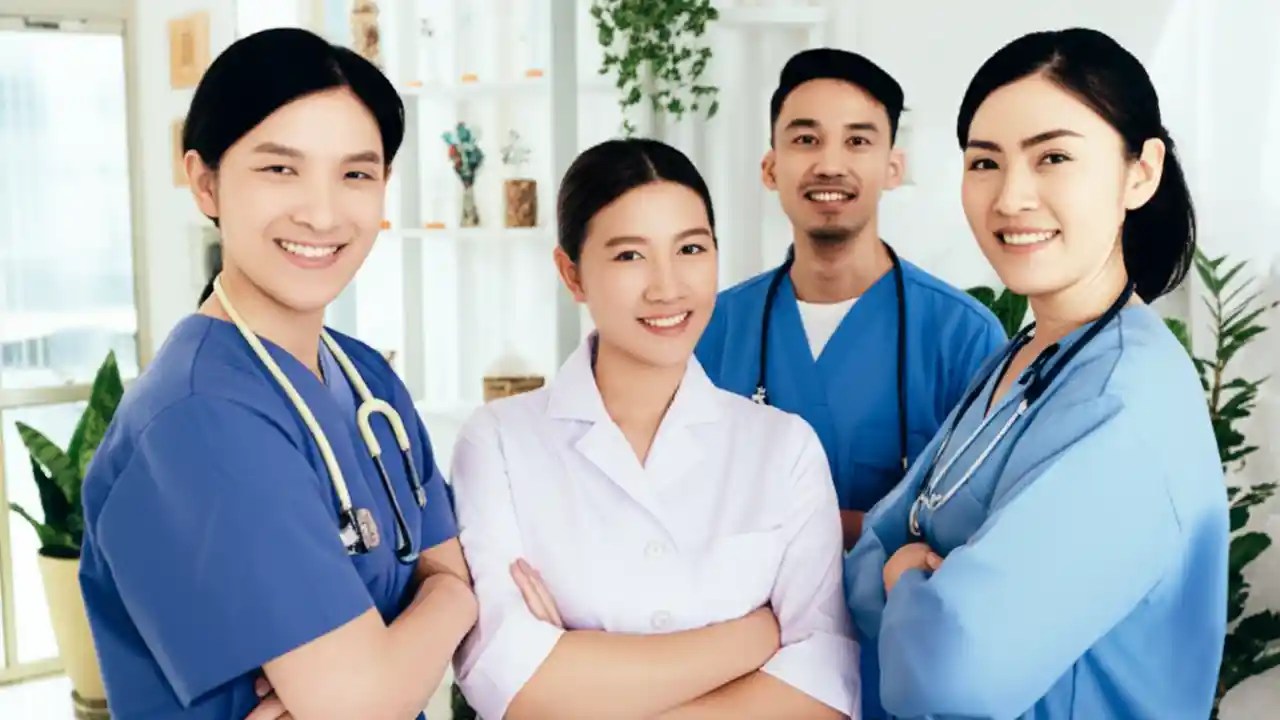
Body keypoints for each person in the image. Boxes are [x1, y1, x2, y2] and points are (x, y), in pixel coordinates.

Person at [78, 28, 476, 719]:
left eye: (356, 173)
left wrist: (448, 599)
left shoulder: (365, 380)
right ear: (205, 181)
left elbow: (454, 576)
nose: (322, 213)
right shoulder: (198, 419)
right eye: (280, 169)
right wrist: (429, 622)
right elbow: (362, 702)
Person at [844, 28, 1227, 719]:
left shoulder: (1126, 406)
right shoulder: (1030, 353)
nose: (1011, 198)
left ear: (1140, 172)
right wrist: (907, 580)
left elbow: (950, 671)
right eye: (984, 162)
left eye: (1052, 157)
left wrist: (903, 573)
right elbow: (874, 544)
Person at [447, 138, 859, 720]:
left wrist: (582, 672)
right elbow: (510, 682)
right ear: (573, 273)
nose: (667, 287)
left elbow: (825, 684)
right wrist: (749, 640)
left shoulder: (782, 447)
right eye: (629, 256)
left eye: (690, 248)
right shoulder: (499, 442)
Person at [693, 47, 1006, 719]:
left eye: (858, 141)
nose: (829, 163)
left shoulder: (964, 339)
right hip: (746, 685)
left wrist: (803, 530)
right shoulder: (709, 330)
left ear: (894, 166)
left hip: (904, 680)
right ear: (771, 166)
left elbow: (989, 543)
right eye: (805, 139)